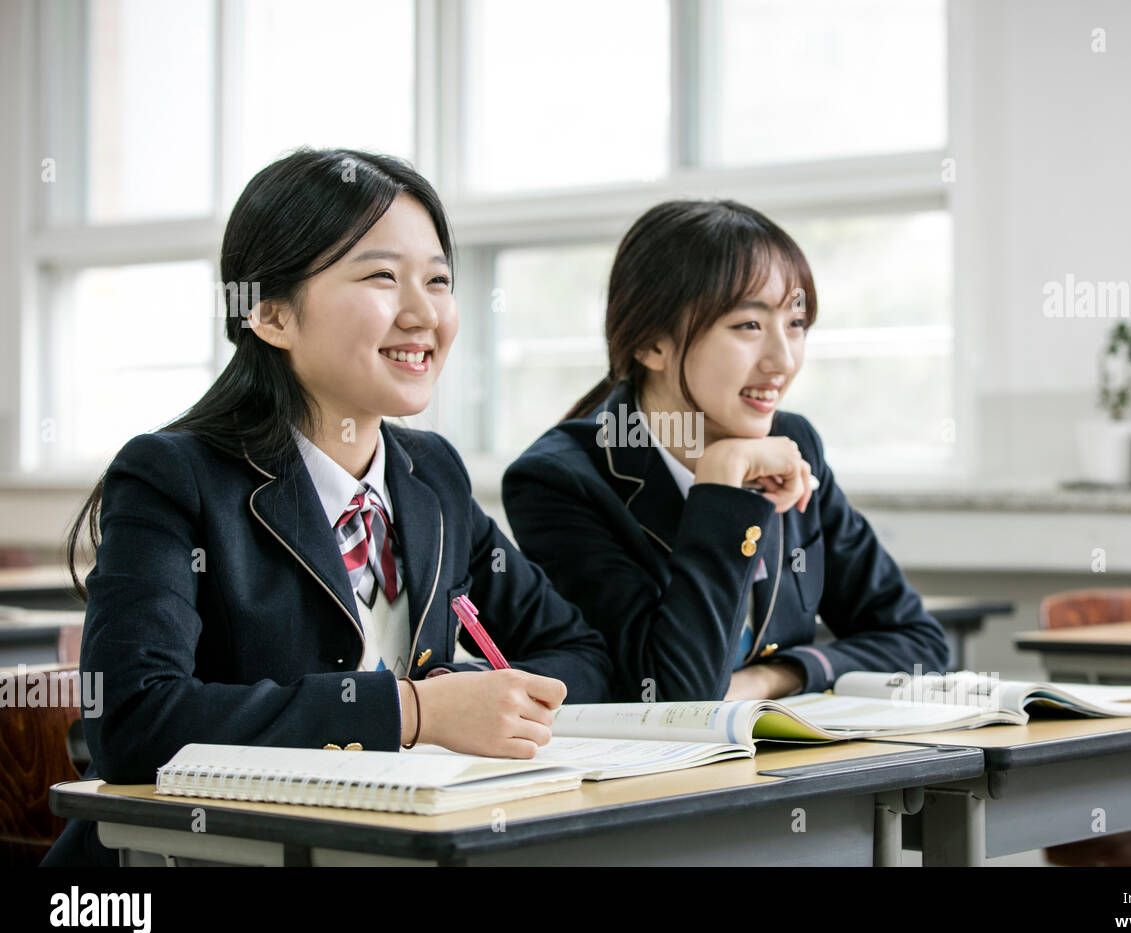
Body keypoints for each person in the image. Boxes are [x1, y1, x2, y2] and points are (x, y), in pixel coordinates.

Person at [43, 148, 609, 866]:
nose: (422, 312)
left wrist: (471, 698)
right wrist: (413, 712)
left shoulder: (429, 475)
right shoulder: (172, 475)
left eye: (438, 280)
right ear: (270, 314)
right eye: (380, 277)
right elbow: (134, 721)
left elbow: (580, 653)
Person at [503, 199, 947, 704]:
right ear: (652, 344)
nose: (782, 359)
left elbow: (920, 644)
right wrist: (720, 489)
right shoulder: (560, 481)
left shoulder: (795, 444)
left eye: (795, 324)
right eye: (749, 326)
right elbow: (672, 694)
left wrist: (777, 677)